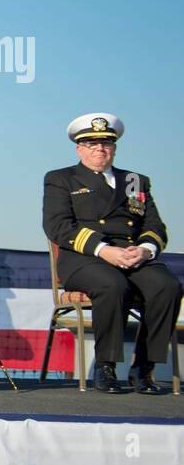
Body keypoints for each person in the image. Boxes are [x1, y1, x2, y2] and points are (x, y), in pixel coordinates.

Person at [42, 113, 182, 393]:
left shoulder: (135, 181)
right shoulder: (61, 179)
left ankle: (145, 367)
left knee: (168, 286)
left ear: (115, 148)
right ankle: (105, 366)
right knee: (113, 285)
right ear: (79, 148)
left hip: (132, 256)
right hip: (85, 258)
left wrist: (144, 250)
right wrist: (104, 250)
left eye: (106, 144)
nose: (100, 149)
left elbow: (155, 225)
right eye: (92, 144)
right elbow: (57, 227)